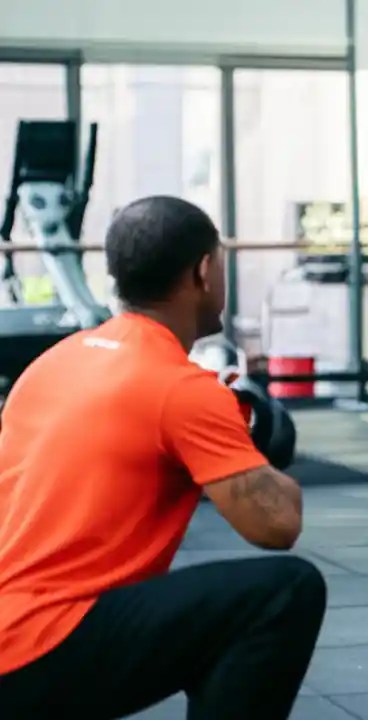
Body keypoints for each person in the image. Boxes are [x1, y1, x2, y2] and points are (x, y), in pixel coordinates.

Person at [0, 197, 326, 719]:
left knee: (205, 619)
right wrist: (240, 433)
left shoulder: (51, 364)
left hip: (10, 635)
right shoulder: (184, 391)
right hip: (40, 651)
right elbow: (276, 526)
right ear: (203, 271)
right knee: (285, 592)